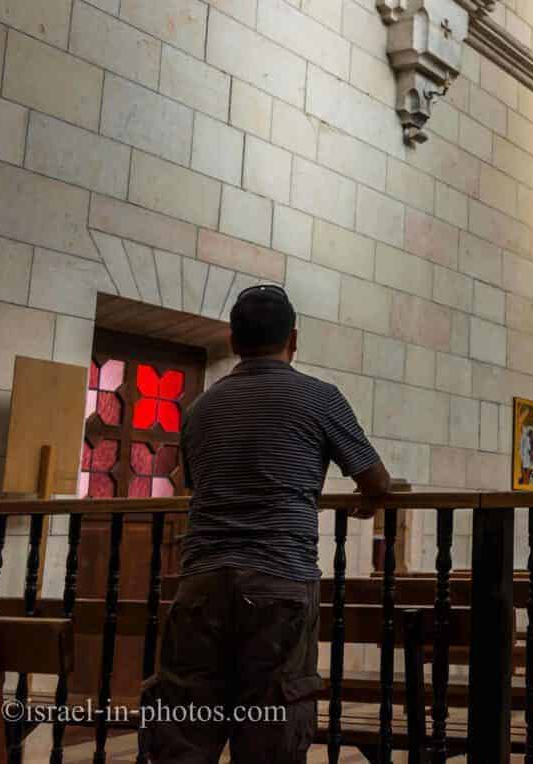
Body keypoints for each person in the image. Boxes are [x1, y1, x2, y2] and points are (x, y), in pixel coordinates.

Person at [140, 284, 390, 763]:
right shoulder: (319, 399)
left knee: (185, 735)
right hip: (280, 579)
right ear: (293, 340)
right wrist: (370, 502)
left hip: (202, 580)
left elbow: (195, 483)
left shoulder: (199, 409)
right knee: (272, 731)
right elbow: (374, 478)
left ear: (233, 341)